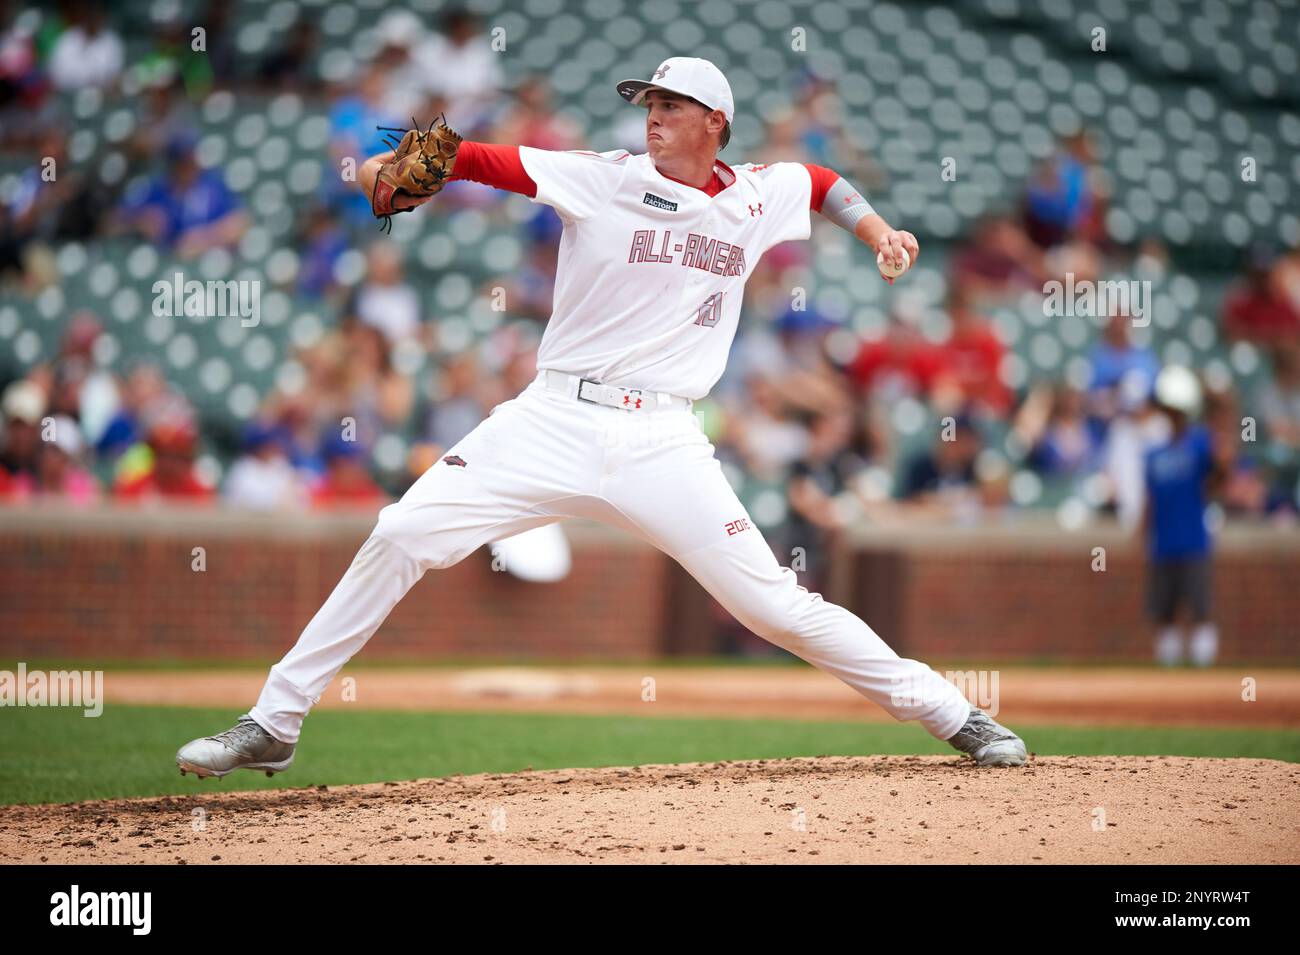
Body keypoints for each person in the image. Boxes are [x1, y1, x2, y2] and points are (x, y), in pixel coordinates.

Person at [177, 56, 1027, 779]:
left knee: (776, 608)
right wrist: (402, 170)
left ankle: (957, 715)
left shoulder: (756, 196)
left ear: (714, 123)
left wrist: (878, 229)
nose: (651, 117)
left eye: (668, 106)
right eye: (647, 104)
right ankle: (275, 722)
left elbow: (819, 180)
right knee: (400, 534)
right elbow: (481, 159)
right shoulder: (604, 176)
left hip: (664, 438)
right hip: (552, 417)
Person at [1141, 366, 1232, 667]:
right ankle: (1169, 672)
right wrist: (1144, 533)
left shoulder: (1201, 444)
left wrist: (1222, 415)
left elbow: (1220, 475)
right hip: (1163, 543)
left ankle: (1203, 668)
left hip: (1194, 540)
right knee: (1164, 612)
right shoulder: (1154, 454)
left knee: (1201, 608)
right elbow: (1150, 499)